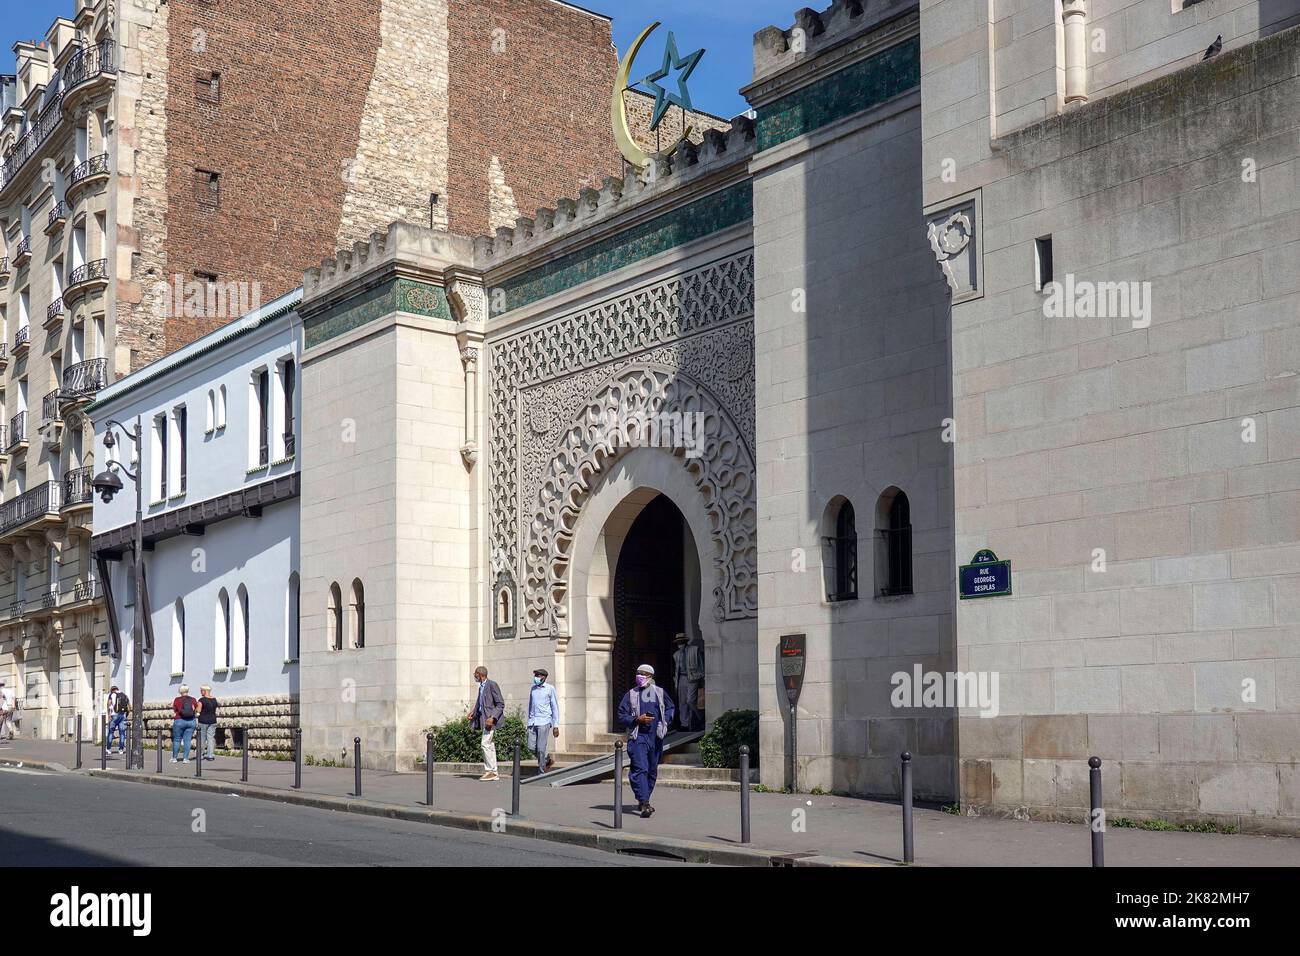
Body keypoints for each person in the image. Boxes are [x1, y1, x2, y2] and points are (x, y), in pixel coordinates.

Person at [617, 663, 674, 818]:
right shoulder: (631, 694)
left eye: (643, 673)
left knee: (652, 770)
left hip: (655, 737)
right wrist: (637, 719)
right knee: (640, 769)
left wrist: (665, 721)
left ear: (650, 676)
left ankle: (644, 798)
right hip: (638, 737)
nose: (640, 676)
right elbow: (621, 715)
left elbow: (670, 708)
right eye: (638, 673)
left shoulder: (660, 692)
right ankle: (645, 802)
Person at [465, 666, 504, 781]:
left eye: (475, 674)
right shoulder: (481, 687)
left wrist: (492, 717)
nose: (474, 676)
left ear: (480, 674)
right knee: (490, 745)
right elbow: (481, 703)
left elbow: (500, 704)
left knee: (485, 744)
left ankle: (490, 771)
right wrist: (473, 712)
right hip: (483, 720)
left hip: (490, 721)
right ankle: (493, 771)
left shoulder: (492, 685)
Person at [526, 668, 560, 773]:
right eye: (535, 675)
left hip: (544, 721)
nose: (536, 677)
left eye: (538, 676)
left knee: (541, 748)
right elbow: (531, 705)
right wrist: (528, 721)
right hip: (533, 722)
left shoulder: (550, 689)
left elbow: (555, 707)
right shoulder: (533, 689)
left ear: (544, 677)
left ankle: (541, 772)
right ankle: (547, 760)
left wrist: (556, 725)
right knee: (531, 747)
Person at [672, 633, 705, 731]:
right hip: (681, 678)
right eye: (678, 642)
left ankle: (700, 717)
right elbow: (676, 669)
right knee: (682, 702)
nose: (680, 643)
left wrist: (702, 678)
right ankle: (685, 724)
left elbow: (701, 665)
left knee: (690, 700)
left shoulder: (694, 650)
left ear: (685, 641)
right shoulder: (676, 654)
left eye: (681, 642)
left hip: (693, 677)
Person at [171, 685, 200, 763]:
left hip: (179, 720)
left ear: (180, 691)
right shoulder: (193, 699)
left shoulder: (177, 700)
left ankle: (174, 758)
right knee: (187, 740)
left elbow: (175, 710)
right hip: (191, 721)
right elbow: (196, 709)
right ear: (187, 691)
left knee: (177, 740)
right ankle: (186, 759)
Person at [197, 685, 219, 761]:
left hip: (203, 721)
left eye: (201, 690)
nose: (200, 692)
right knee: (210, 738)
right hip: (213, 720)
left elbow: (199, 710)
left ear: (205, 691)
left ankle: (201, 754)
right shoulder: (214, 699)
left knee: (202, 738)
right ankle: (210, 755)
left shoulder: (201, 700)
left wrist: (195, 708)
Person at [106, 685, 129, 754]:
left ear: (112, 690)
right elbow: (129, 706)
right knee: (122, 733)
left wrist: (109, 715)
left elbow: (109, 704)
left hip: (114, 715)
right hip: (122, 715)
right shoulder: (124, 695)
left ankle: (109, 749)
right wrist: (126, 715)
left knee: (111, 732)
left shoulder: (112, 695)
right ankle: (121, 749)